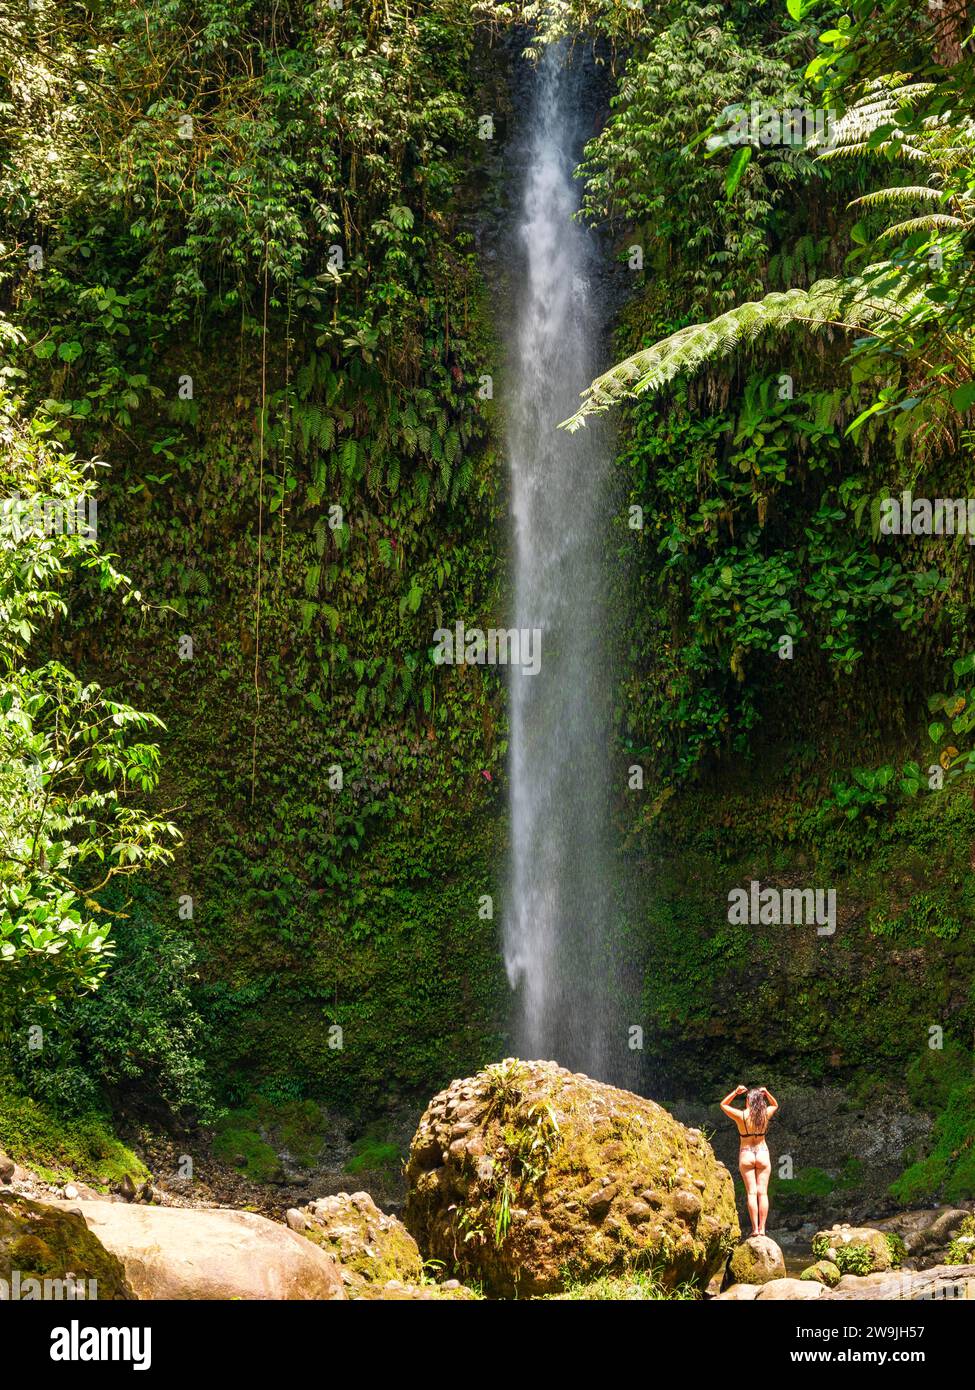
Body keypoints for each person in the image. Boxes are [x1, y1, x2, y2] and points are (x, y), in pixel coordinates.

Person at [719, 1084, 778, 1237]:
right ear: (760, 1101)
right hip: (762, 1152)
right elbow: (775, 1104)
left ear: (748, 1101)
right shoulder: (765, 1114)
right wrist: (766, 1092)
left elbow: (723, 1104)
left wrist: (735, 1092)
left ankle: (755, 1230)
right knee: (762, 1193)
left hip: (746, 1154)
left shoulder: (741, 1116)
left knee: (752, 1193)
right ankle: (763, 1229)